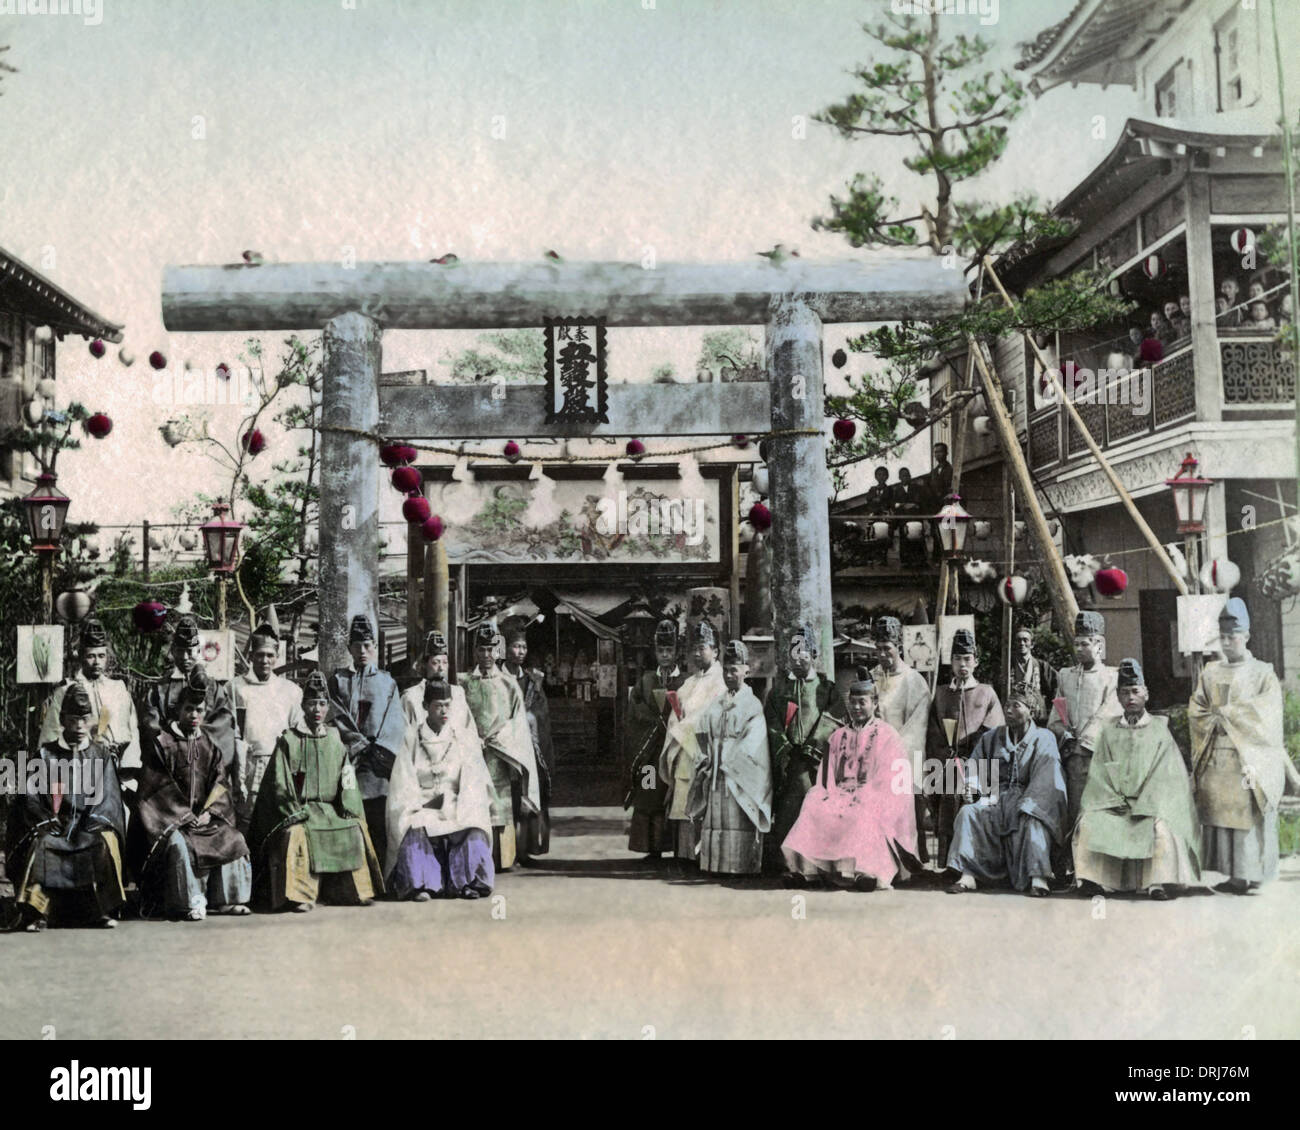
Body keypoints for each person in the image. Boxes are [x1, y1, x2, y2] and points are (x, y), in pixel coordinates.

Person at [248, 671, 381, 912]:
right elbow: (279, 783)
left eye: (321, 704)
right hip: (301, 809)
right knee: (296, 833)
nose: (317, 710)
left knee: (355, 826)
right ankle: (301, 895)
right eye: (311, 704)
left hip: (330, 808)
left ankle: (352, 891)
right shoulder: (289, 739)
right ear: (303, 706)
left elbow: (347, 778)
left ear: (328, 707)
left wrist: (349, 807)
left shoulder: (334, 738)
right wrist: (293, 810)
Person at [1190, 598, 1294, 894]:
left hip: (1252, 757)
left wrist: (1230, 713)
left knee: (1250, 813)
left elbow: (1269, 712)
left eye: (1231, 636)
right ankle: (1235, 876)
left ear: (1246, 636)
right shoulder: (1210, 672)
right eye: (1221, 637)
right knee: (1224, 816)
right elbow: (1197, 708)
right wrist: (1212, 718)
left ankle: (1254, 873)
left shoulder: (1263, 672)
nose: (1226, 642)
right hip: (1219, 754)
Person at [129, 670, 252, 921]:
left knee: (233, 837)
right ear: (178, 711)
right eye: (189, 709)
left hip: (203, 820)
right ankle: (190, 902)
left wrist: (209, 813)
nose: (194, 715)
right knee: (178, 845)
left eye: (199, 710)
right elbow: (155, 788)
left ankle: (228, 899)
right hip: (172, 822)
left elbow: (220, 784)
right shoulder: (163, 744)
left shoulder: (209, 744)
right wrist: (184, 816)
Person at [1073, 659, 1200, 899]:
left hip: (1150, 804)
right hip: (1115, 802)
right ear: (1118, 697)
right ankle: (1093, 881)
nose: (1130, 697)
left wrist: (1145, 803)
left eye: (1135, 691)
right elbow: (1099, 772)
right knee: (1090, 822)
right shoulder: (1109, 730)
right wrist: (1112, 799)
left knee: (1160, 828)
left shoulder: (1159, 730)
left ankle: (1157, 883)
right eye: (1124, 692)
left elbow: (1167, 775)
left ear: (1146, 694)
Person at [781, 670, 918, 891]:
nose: (856, 708)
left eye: (861, 702)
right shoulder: (838, 736)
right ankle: (808, 872)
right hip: (840, 793)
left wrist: (866, 794)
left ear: (874, 703)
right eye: (852, 703)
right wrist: (831, 794)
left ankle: (863, 872)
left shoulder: (888, 735)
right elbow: (827, 776)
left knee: (861, 812)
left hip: (876, 796)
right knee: (814, 803)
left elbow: (893, 778)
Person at [6, 685, 126, 931]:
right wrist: (45, 820)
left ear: (91, 719)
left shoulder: (101, 755)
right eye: (74, 719)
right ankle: (36, 910)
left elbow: (110, 799)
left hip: (89, 824)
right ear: (62, 720)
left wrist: (92, 823)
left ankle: (98, 910)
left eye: (84, 719)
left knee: (103, 841)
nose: (80, 726)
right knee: (41, 843)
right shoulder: (44, 754)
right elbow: (29, 798)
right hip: (53, 825)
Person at [946, 685, 1067, 897]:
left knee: (1034, 820)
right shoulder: (991, 737)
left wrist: (1027, 804)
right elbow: (975, 766)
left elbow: (1047, 778)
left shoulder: (1043, 737)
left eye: (1016, 706)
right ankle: (968, 875)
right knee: (970, 813)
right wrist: (971, 786)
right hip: (994, 797)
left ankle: (1038, 877)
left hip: (1027, 798)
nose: (1008, 710)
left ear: (1031, 708)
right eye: (1007, 705)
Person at [386, 679, 497, 900]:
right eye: (438, 705)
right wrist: (416, 806)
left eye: (448, 704)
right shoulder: (411, 737)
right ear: (426, 706)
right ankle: (421, 885)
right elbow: (403, 781)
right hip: (422, 801)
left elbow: (474, 778)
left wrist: (465, 802)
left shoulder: (463, 737)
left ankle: (468, 882)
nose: (444, 711)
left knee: (472, 825)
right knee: (414, 826)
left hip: (457, 800)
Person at [762, 626, 845, 873]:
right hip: (788, 760)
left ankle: (814, 863)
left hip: (817, 760)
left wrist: (814, 745)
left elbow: (834, 717)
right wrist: (785, 748)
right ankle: (787, 862)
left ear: (814, 654)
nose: (798, 658)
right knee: (787, 807)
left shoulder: (826, 688)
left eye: (804, 652)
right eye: (794, 652)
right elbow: (772, 722)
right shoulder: (778, 690)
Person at [460, 622, 541, 871]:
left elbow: (517, 724)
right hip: (473, 753)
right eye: (481, 650)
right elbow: (458, 718)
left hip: (500, 753)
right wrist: (472, 740)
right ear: (474, 652)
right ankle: (475, 858)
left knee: (502, 803)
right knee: (475, 803)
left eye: (490, 650)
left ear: (498, 651)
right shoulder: (463, 684)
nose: (486, 655)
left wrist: (498, 741)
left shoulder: (509, 684)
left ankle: (503, 858)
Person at [687, 640, 772, 876]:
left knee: (738, 817)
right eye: (726, 669)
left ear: (746, 671)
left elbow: (755, 743)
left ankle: (740, 867)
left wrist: (730, 761)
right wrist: (705, 757)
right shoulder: (716, 703)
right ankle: (714, 864)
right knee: (715, 816)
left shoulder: (752, 705)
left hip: (737, 773)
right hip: (715, 769)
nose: (729, 674)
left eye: (734, 669)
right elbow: (702, 731)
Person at [1049, 610, 1122, 883]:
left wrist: (1085, 739)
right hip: (1069, 754)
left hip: (1097, 754)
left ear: (1099, 645)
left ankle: (1096, 872)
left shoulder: (1111, 677)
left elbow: (1109, 712)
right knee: (1069, 812)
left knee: (1094, 812)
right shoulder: (1065, 676)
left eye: (1086, 643)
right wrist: (1064, 733)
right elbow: (1057, 713)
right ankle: (1070, 869)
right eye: (1077, 643)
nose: (1079, 648)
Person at [328, 613, 404, 868]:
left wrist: (377, 752)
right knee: (349, 818)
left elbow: (394, 723)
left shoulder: (387, 682)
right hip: (349, 760)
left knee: (377, 822)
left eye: (368, 646)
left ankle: (381, 878)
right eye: (357, 645)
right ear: (349, 648)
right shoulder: (338, 680)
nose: (362, 651)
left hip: (378, 764)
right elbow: (336, 716)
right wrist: (358, 745)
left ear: (375, 648)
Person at [925, 628, 1004, 864]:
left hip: (978, 764)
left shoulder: (986, 692)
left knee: (976, 809)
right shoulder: (941, 694)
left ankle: (976, 864)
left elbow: (993, 729)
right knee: (948, 809)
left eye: (967, 658)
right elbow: (933, 731)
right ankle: (950, 865)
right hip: (948, 763)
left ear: (976, 661)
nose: (963, 664)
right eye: (958, 658)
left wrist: (974, 756)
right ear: (951, 662)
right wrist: (945, 755)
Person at [40, 617, 141, 794]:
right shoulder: (66, 690)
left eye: (101, 656)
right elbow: (50, 736)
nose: (96, 662)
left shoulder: (118, 689)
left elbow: (132, 730)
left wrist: (127, 771)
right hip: (78, 767)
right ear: (81, 656)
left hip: (115, 769)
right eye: (91, 656)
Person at [658, 620, 728, 863]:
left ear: (716, 651)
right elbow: (676, 715)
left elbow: (707, 715)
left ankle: (702, 857)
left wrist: (681, 727)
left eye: (703, 648)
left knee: (701, 802)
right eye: (695, 648)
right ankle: (684, 855)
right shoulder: (690, 681)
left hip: (703, 751)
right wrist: (677, 723)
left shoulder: (720, 682)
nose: (698, 653)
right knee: (682, 800)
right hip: (683, 750)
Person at [869, 616, 931, 862]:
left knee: (905, 810)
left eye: (888, 649)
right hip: (874, 752)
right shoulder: (872, 677)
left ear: (899, 648)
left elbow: (917, 726)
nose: (883, 654)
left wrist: (891, 749)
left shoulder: (913, 680)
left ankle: (908, 863)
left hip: (901, 753)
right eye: (879, 649)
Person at [141, 613, 238, 769]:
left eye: (190, 651)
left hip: (206, 766)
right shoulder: (158, 690)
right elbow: (151, 727)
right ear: (172, 651)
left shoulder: (213, 688)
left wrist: (198, 739)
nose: (185, 657)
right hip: (169, 763)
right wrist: (175, 742)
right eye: (180, 651)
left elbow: (223, 724)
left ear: (198, 651)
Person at [232, 622, 304, 832]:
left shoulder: (290, 690)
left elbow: (297, 732)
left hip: (281, 767)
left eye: (270, 655)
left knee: (277, 826)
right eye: (260, 654)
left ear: (277, 656)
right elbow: (232, 732)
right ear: (251, 655)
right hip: (248, 767)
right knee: (247, 825)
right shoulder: (236, 687)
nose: (265, 660)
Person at [625, 618, 684, 859]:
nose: (665, 655)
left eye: (669, 650)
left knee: (673, 795)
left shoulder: (685, 681)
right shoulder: (646, 680)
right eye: (661, 650)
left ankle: (673, 846)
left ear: (677, 652)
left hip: (673, 750)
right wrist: (655, 724)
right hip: (650, 753)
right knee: (649, 794)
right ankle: (651, 847)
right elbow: (634, 711)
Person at [501, 626, 552, 856]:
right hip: (504, 745)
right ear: (505, 648)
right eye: (515, 646)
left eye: (523, 647)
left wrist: (531, 718)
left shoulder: (531, 680)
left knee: (529, 791)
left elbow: (542, 712)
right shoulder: (498, 678)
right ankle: (507, 850)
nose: (520, 651)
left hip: (529, 746)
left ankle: (529, 846)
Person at [401, 629, 475, 735]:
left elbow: (469, 730)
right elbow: (404, 737)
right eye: (435, 663)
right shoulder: (410, 697)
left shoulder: (458, 693)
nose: (441, 668)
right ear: (424, 665)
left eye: (445, 662)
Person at [1008, 626, 1057, 727]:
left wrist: (1048, 710)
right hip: (1012, 716)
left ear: (1032, 644)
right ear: (1014, 644)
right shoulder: (1007, 666)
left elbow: (1056, 689)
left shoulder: (1042, 666)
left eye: (1025, 640)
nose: (1022, 643)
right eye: (1018, 640)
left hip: (1037, 718)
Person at [890, 467, 926, 568]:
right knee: (904, 538)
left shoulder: (917, 488)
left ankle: (920, 560)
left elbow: (920, 502)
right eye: (903, 475)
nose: (905, 477)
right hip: (903, 518)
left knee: (918, 538)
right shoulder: (897, 490)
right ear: (899, 477)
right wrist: (902, 505)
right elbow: (894, 504)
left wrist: (914, 505)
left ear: (910, 476)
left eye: (907, 475)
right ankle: (905, 561)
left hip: (915, 517)